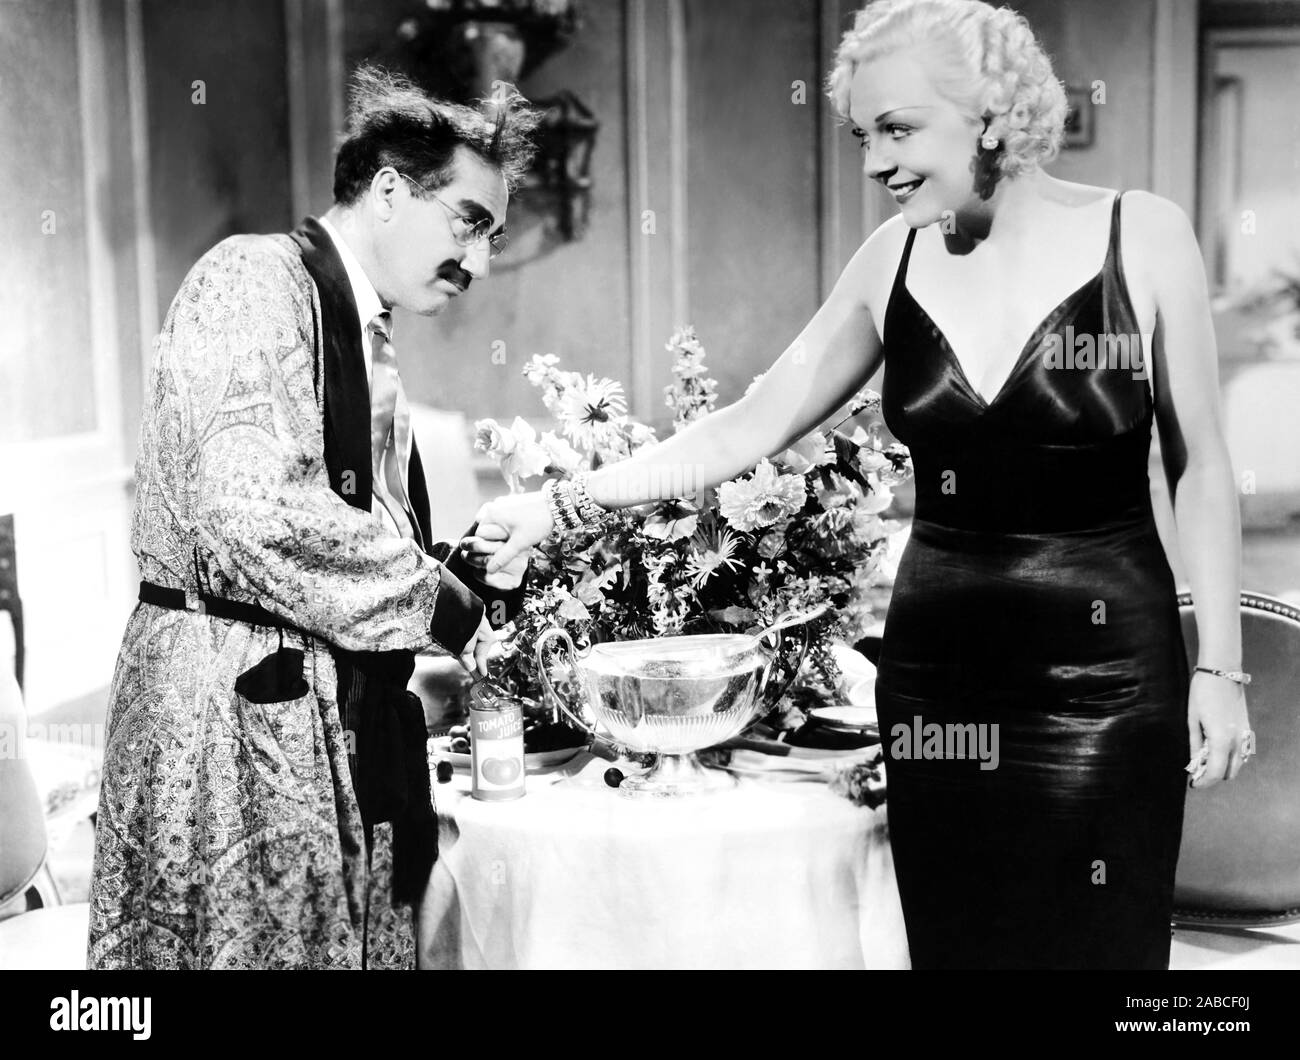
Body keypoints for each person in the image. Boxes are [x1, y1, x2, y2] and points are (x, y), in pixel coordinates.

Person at [469, 0, 1252, 969]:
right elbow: (748, 423)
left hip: (1108, 682)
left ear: (989, 112)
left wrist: (1218, 666)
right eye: (860, 135)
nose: (874, 160)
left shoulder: (1143, 235)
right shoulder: (891, 261)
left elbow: (1202, 464)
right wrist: (561, 504)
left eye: (897, 128)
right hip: (936, 684)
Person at [88, 66, 536, 969]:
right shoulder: (252, 278)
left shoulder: (361, 329)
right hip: (230, 714)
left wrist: (451, 561)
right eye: (469, 222)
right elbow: (249, 510)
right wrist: (441, 601)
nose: (480, 263)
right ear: (386, 191)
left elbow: (341, 519)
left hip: (317, 708)